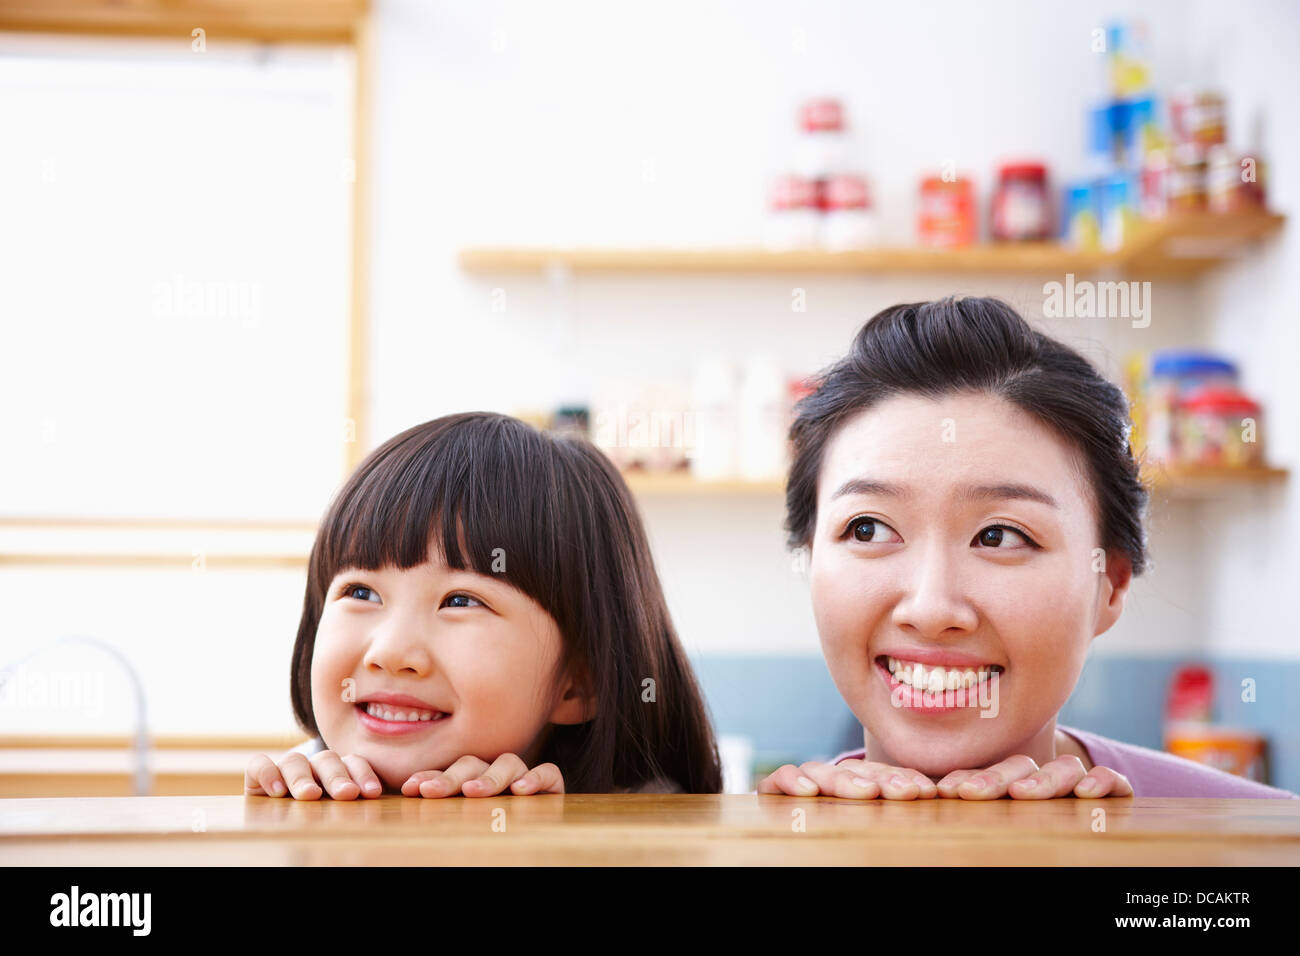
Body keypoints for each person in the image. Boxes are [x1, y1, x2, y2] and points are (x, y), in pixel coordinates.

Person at [759, 297, 1296, 799]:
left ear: (1110, 582)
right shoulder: (760, 840)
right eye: (869, 529)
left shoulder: (1254, 839)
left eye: (999, 536)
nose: (931, 609)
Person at [244, 412, 722, 798]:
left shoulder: (645, 824)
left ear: (577, 683)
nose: (389, 652)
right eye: (361, 592)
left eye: (461, 600)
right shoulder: (301, 784)